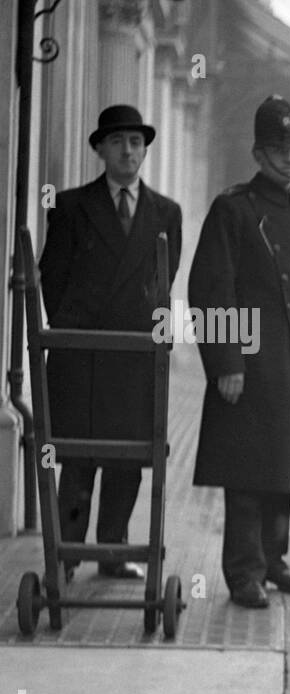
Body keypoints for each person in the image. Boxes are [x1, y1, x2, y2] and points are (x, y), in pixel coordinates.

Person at [191, 95, 290, 609]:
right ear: (258, 155)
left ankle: (274, 561)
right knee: (249, 473)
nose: (289, 159)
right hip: (253, 363)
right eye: (278, 150)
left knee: (287, 471)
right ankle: (243, 574)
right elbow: (212, 289)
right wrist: (226, 362)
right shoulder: (233, 209)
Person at [39, 104, 181, 580]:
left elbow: (163, 283)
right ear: (100, 149)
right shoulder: (70, 206)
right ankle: (68, 555)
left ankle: (114, 551)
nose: (128, 151)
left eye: (136, 142)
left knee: (128, 461)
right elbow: (51, 278)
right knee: (78, 459)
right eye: (118, 141)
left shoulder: (166, 213)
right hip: (82, 359)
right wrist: (75, 333)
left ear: (144, 150)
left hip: (136, 359)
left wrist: (144, 334)